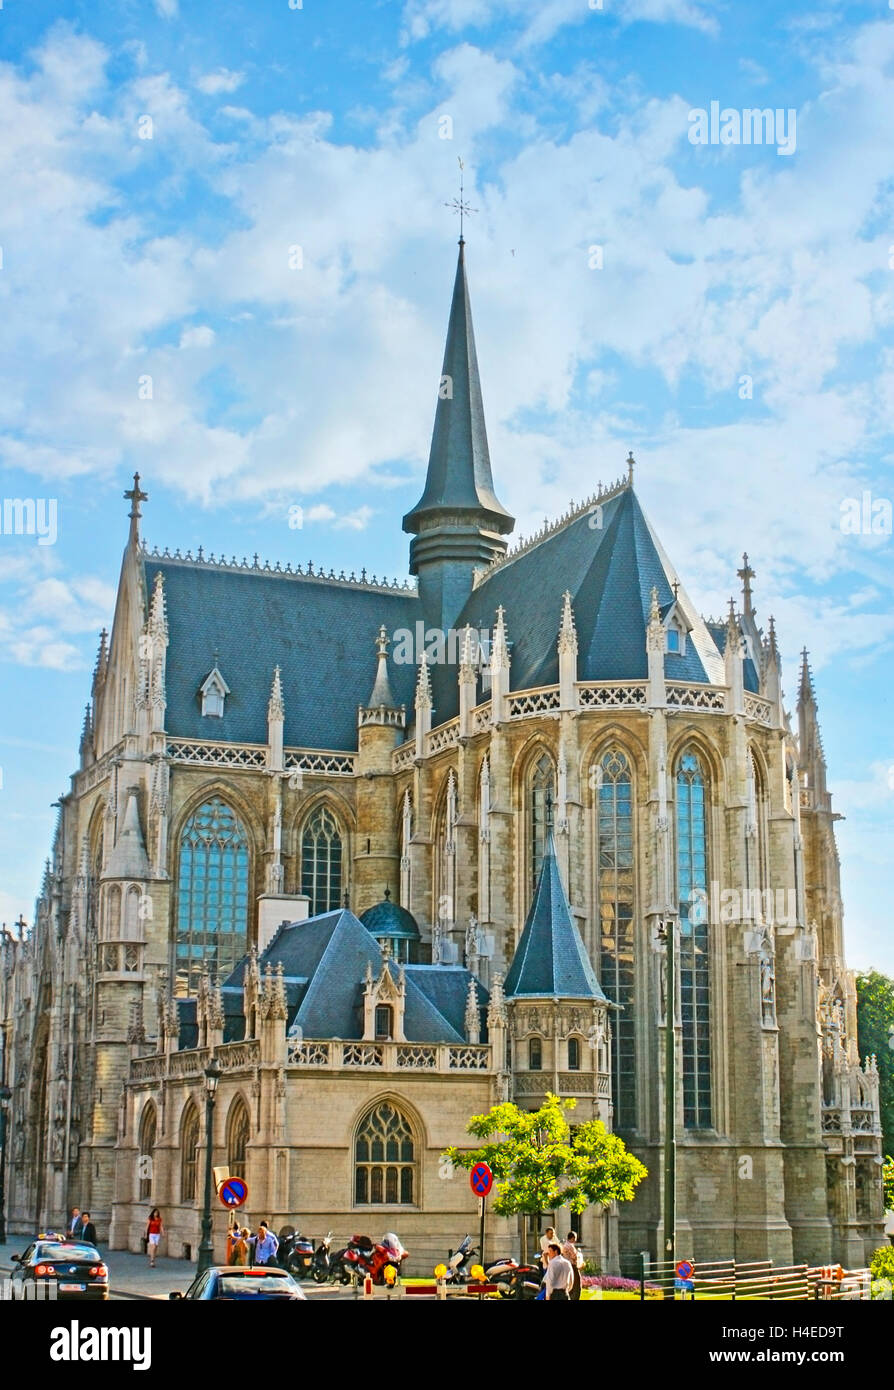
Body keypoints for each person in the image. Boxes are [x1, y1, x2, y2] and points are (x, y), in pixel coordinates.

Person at [562, 1231, 583, 1301]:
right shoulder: (570, 1245)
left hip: (567, 1266)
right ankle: (575, 1297)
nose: (576, 1240)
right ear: (573, 1238)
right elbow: (575, 1256)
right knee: (577, 1283)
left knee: (570, 1282)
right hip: (572, 1266)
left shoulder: (565, 1244)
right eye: (575, 1238)